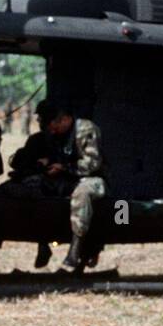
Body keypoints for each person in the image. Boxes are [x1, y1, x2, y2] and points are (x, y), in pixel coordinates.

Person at [42, 103, 105, 274]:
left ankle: (74, 253)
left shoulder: (85, 129)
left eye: (54, 127)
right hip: (66, 177)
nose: (52, 132)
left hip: (92, 179)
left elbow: (92, 163)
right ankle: (43, 244)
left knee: (81, 194)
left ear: (65, 120)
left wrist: (63, 167)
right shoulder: (57, 134)